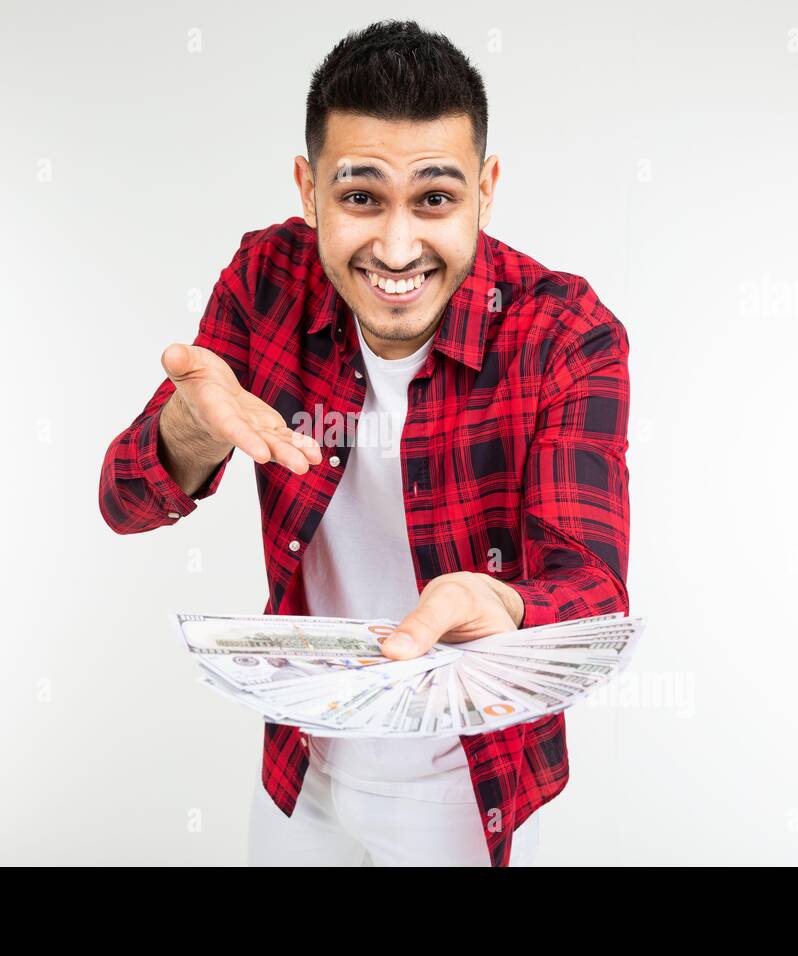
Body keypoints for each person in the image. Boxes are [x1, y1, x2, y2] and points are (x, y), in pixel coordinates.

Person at [98, 19, 632, 866]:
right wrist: (190, 425)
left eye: (434, 198)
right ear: (309, 188)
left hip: (476, 787)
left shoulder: (566, 334)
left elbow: (595, 591)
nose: (395, 246)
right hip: (299, 770)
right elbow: (122, 504)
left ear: (486, 190)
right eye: (360, 197)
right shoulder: (264, 281)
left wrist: (508, 606)